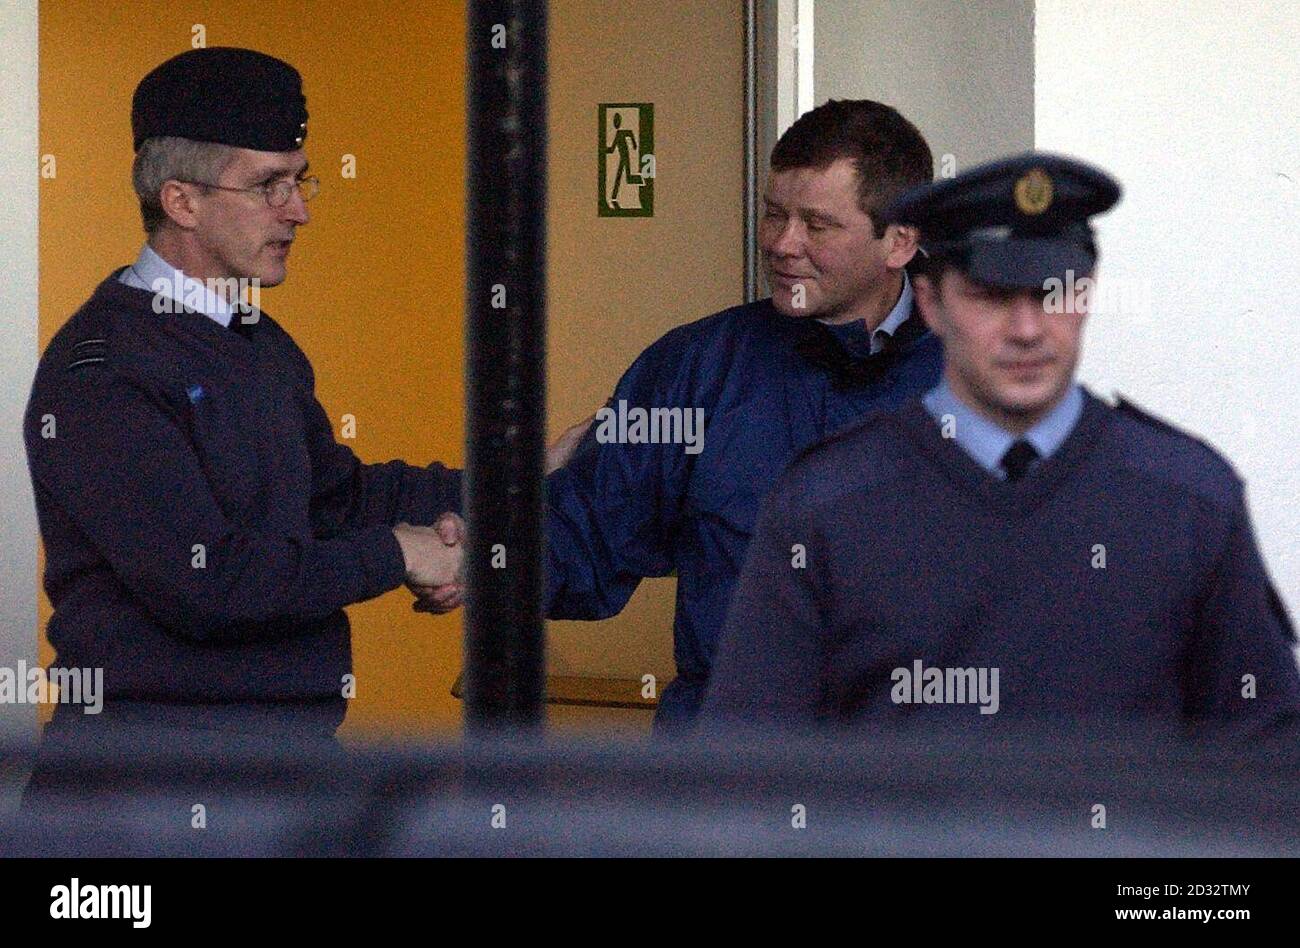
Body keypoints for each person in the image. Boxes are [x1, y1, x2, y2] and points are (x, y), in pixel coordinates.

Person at [700, 152, 1300, 735]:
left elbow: (1264, 762)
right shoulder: (827, 504)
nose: (1027, 329)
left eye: (1052, 293)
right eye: (991, 296)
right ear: (931, 302)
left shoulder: (1187, 497)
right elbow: (746, 774)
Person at [21, 47, 467, 798]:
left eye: (300, 180)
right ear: (182, 201)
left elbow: (335, 501)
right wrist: (400, 555)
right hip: (151, 790)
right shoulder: (103, 372)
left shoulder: (258, 342)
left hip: (276, 772)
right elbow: (211, 585)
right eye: (269, 185)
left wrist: (519, 481)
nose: (300, 209)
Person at [492, 100, 943, 731]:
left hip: (915, 790)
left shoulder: (981, 383)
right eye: (774, 214)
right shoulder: (696, 369)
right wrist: (466, 540)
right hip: (727, 781)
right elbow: (587, 540)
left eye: (817, 225)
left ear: (899, 241)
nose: (783, 244)